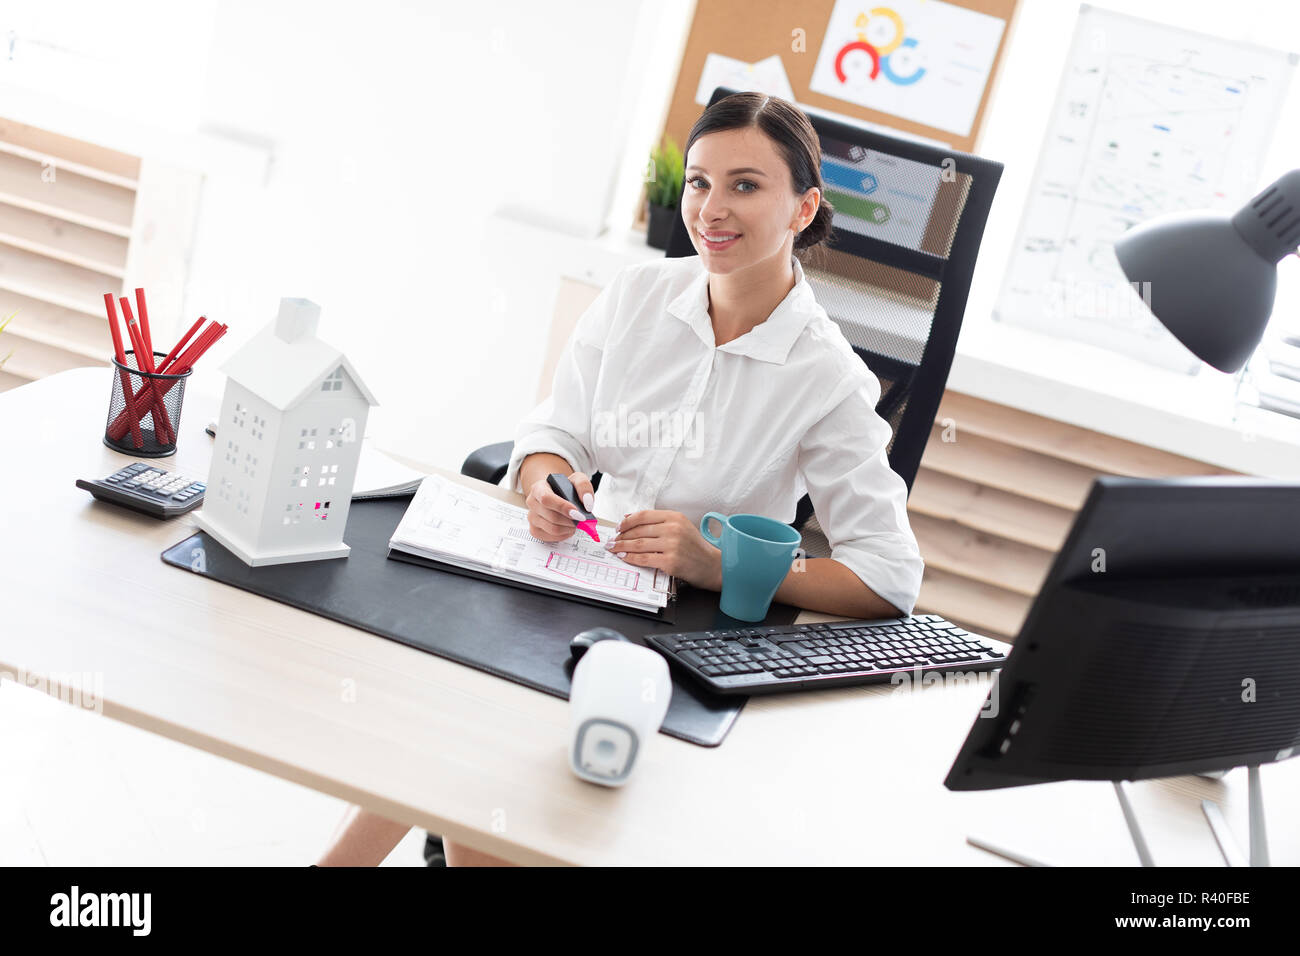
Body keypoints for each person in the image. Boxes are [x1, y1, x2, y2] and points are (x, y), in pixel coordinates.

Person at [316, 92, 923, 867]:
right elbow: (552, 433)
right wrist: (547, 481)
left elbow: (887, 577)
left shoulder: (828, 376)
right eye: (699, 182)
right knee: (441, 698)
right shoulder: (639, 296)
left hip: (679, 634)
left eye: (746, 185)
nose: (711, 208)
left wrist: (717, 561)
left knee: (468, 738)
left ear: (804, 208)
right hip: (569, 578)